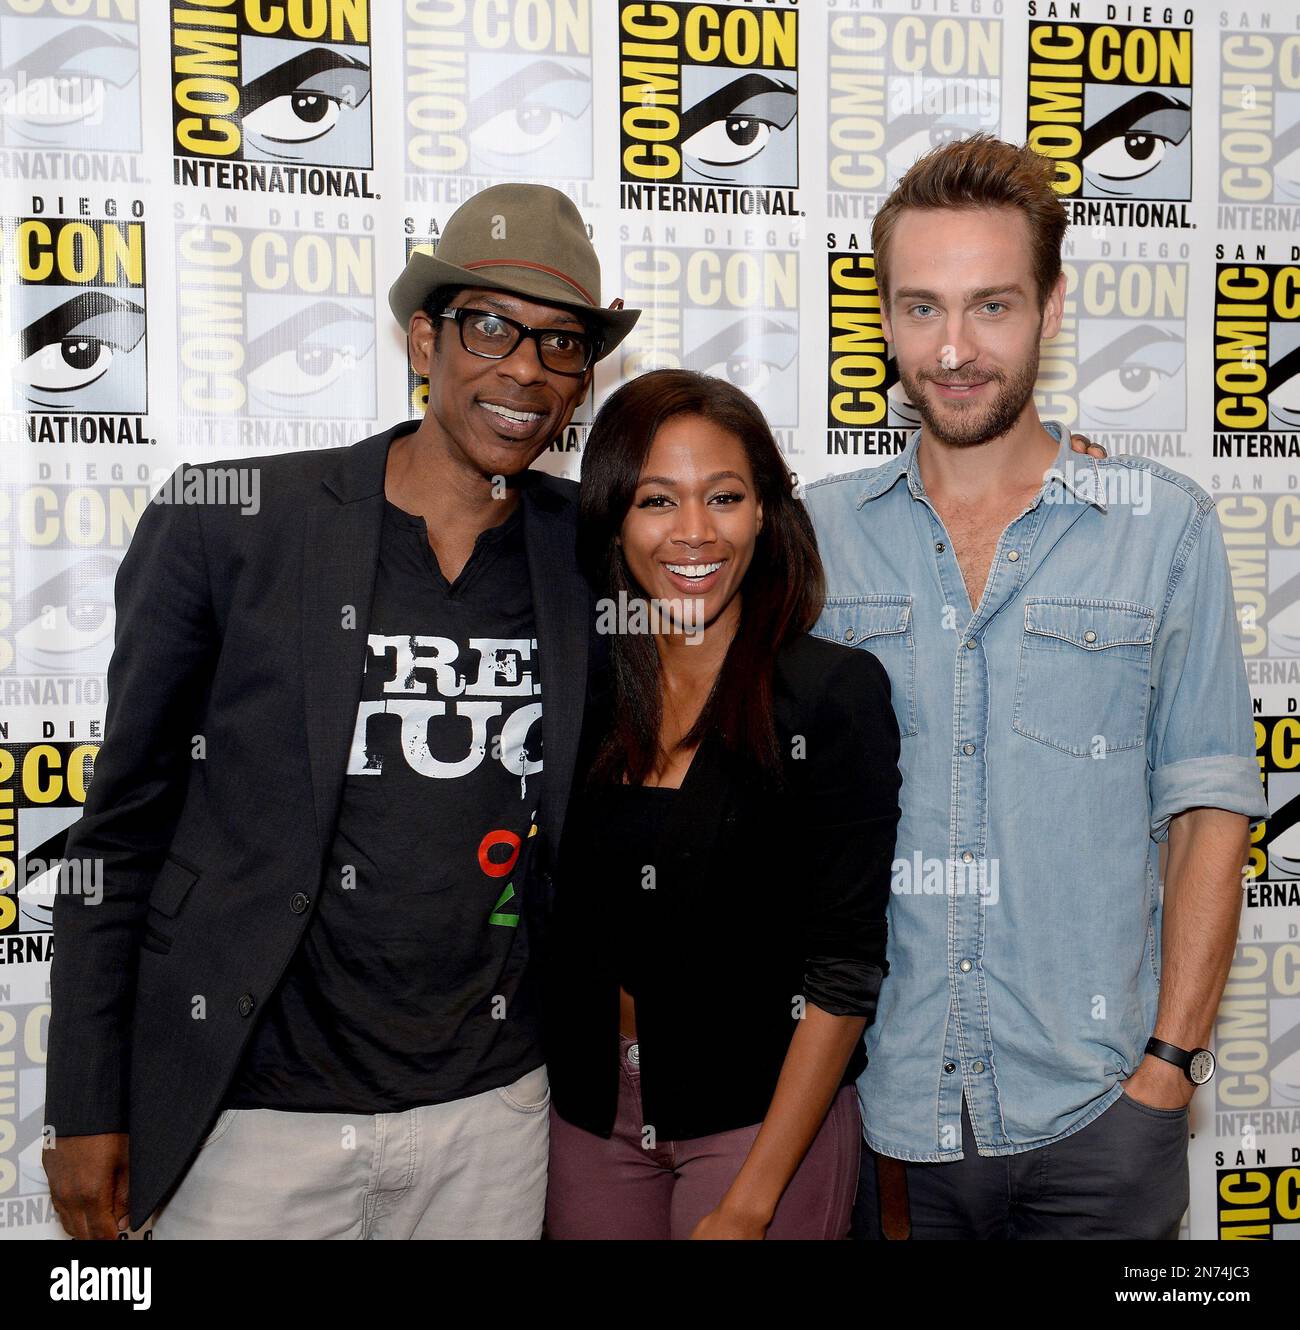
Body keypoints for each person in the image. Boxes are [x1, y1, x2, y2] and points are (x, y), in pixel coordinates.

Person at [42, 185, 639, 1240]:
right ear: (424, 338)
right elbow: (120, 832)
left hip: (489, 1114)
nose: (523, 370)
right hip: (254, 1117)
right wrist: (87, 1102)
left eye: (558, 345)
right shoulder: (229, 525)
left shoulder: (587, 548)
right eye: (490, 326)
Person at [803, 133, 1267, 1240]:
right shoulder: (815, 537)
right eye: (920, 308)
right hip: (883, 1123)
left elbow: (1208, 806)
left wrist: (1168, 1068)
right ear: (881, 316)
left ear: (1051, 308)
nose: (953, 347)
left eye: (991, 306)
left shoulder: (1162, 526)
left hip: (1101, 1119)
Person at [542, 369, 902, 1240]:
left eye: (726, 497)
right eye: (657, 500)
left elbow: (844, 971)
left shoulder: (829, 695)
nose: (695, 533)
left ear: (766, 511)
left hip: (760, 1124)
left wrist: (751, 1200)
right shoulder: (580, 689)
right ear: (613, 519)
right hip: (590, 1118)